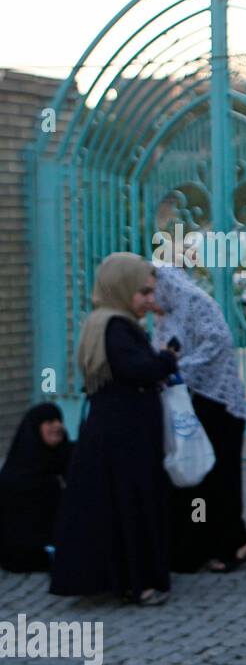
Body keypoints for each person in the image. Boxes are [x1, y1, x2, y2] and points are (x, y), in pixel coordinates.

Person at [51, 253, 179, 605]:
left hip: (114, 431)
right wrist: (167, 359)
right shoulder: (116, 326)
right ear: (121, 288)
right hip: (125, 436)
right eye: (143, 292)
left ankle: (123, 579)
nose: (150, 300)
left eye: (151, 292)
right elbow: (137, 369)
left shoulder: (103, 321)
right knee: (131, 504)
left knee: (115, 506)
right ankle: (138, 583)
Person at [152, 261, 246, 573]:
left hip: (219, 402)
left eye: (149, 291)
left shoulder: (197, 302)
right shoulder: (167, 315)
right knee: (198, 479)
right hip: (191, 403)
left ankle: (236, 543)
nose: (147, 300)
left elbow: (218, 342)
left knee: (220, 476)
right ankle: (202, 544)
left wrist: (180, 368)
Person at [0, 404, 73, 573]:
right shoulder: (18, 472)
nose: (57, 426)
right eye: (49, 421)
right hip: (25, 555)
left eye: (59, 420)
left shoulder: (67, 455)